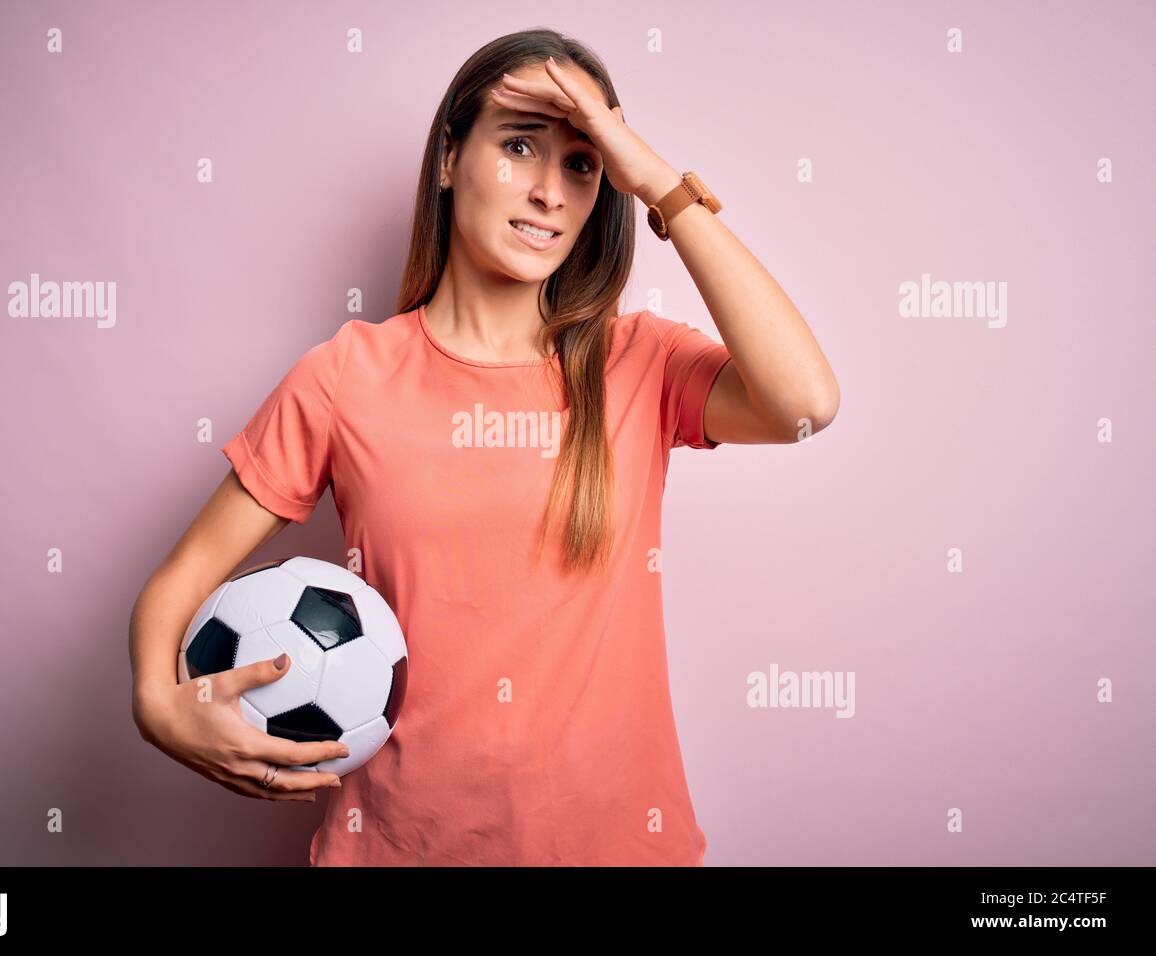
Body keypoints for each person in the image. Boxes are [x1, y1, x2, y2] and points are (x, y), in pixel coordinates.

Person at [129, 28, 839, 866]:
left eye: (582, 163)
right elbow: (180, 580)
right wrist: (157, 705)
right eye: (518, 146)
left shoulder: (639, 362)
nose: (549, 192)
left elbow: (806, 403)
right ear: (446, 159)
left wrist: (656, 183)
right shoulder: (345, 378)